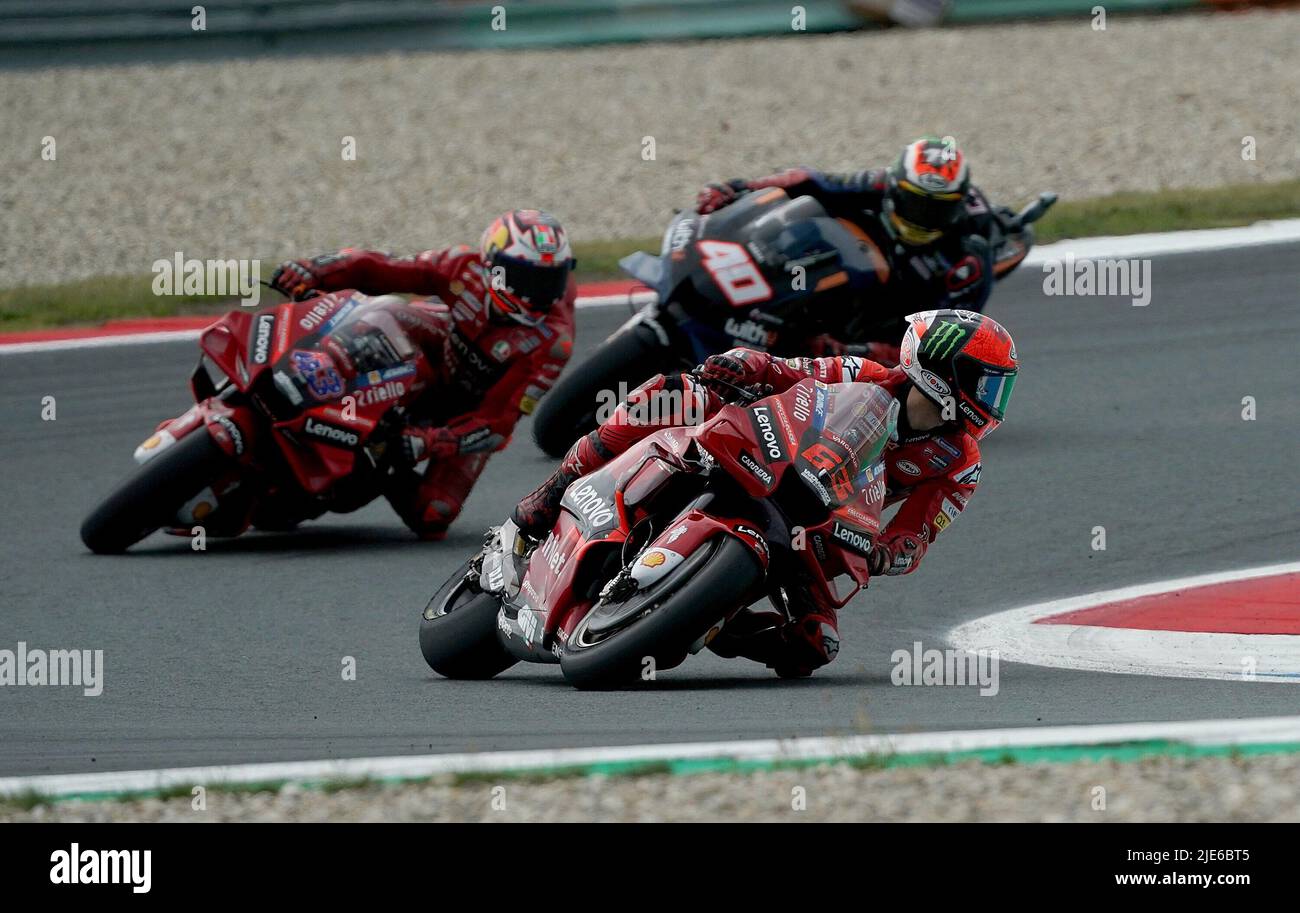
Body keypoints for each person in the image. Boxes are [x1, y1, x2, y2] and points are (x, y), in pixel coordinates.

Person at [512, 308, 1018, 676]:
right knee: (676, 392)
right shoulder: (863, 374)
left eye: (999, 388)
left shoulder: (961, 463)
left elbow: (918, 534)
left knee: (815, 647)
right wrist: (746, 366)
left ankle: (708, 620)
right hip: (770, 455)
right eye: (987, 383)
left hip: (821, 523)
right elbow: (787, 371)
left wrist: (889, 553)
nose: (994, 401)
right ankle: (554, 487)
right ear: (942, 367)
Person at [268, 209, 577, 539]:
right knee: (388, 312)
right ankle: (313, 368)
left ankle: (376, 459)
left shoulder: (552, 342)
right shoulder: (463, 266)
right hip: (436, 346)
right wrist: (315, 270)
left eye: (552, 279)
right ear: (492, 266)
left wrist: (423, 443)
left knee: (433, 513)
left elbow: (495, 426)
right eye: (530, 278)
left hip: (466, 413)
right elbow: (382, 268)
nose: (541, 293)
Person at [693, 136, 1033, 364]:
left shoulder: (968, 258)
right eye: (913, 203)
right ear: (896, 188)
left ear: (956, 206)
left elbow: (944, 343)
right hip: (879, 262)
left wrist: (853, 351)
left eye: (936, 209)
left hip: (915, 305)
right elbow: (811, 180)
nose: (922, 216)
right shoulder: (881, 183)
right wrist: (738, 188)